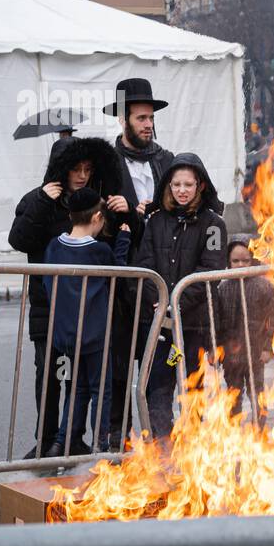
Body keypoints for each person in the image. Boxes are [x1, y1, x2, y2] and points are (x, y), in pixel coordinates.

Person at [8, 136, 125, 459]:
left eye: (88, 169)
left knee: (80, 379)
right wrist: (41, 202)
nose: (83, 175)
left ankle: (71, 438)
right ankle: (46, 439)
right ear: (61, 170)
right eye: (76, 169)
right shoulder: (38, 199)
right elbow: (19, 239)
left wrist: (125, 214)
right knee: (48, 375)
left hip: (89, 312)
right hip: (50, 309)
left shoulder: (95, 202)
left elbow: (115, 245)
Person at [132, 153, 228, 439]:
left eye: (188, 184)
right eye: (176, 184)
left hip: (194, 325)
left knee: (193, 389)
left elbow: (211, 271)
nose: (182, 190)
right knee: (157, 387)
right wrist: (160, 301)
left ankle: (193, 449)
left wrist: (175, 302)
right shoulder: (156, 221)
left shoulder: (213, 224)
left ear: (200, 185)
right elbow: (144, 264)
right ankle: (164, 448)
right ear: (168, 186)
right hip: (161, 327)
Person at [104, 77, 176, 442]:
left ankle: (162, 439)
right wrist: (121, 211)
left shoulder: (167, 161)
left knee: (162, 368)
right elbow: (93, 219)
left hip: (161, 278)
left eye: (150, 118)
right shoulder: (106, 163)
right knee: (119, 367)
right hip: (122, 282)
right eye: (141, 118)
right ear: (123, 120)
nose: (148, 124)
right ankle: (117, 440)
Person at [41, 188, 133, 457]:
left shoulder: (54, 246)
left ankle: (62, 440)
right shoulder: (99, 251)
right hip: (95, 333)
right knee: (100, 390)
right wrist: (124, 238)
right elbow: (117, 271)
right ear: (96, 217)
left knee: (77, 387)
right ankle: (99, 446)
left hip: (66, 332)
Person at [214, 236, 274, 424]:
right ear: (228, 262)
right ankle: (234, 431)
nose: (241, 265)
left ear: (254, 260)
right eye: (235, 261)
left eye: (246, 260)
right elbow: (217, 322)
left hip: (256, 353)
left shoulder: (264, 287)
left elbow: (273, 320)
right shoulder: (222, 287)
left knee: (257, 394)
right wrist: (215, 348)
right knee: (233, 396)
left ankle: (259, 432)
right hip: (231, 355)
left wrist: (268, 348)